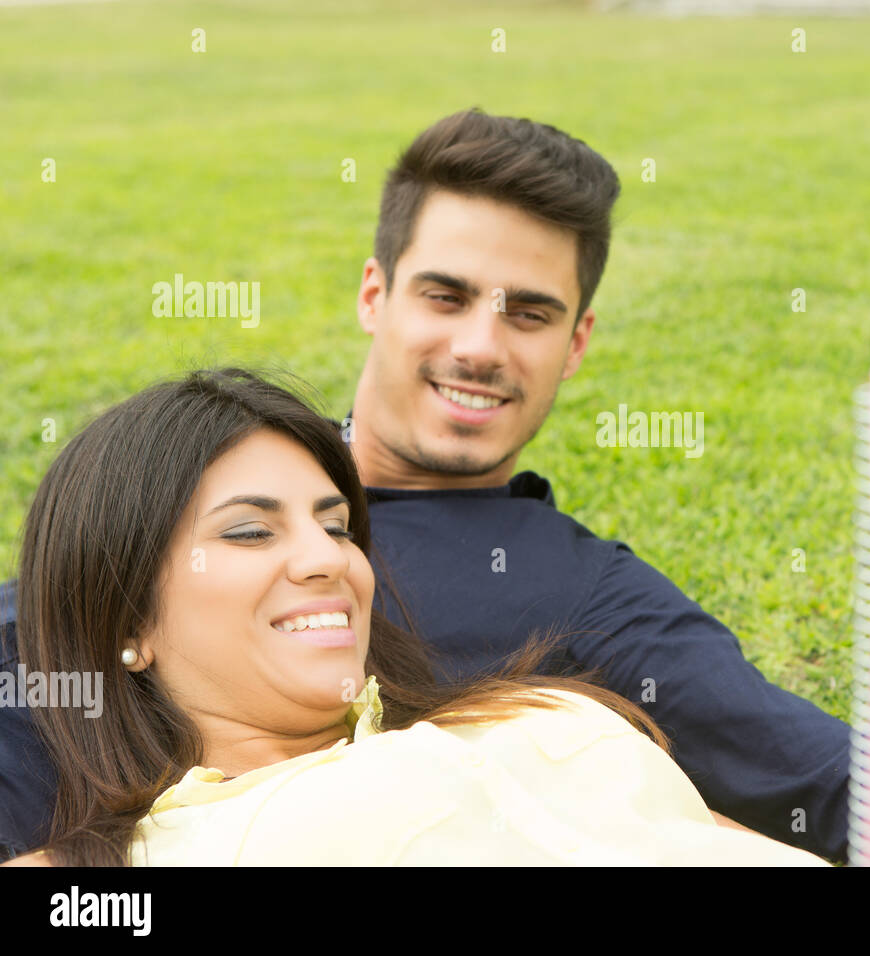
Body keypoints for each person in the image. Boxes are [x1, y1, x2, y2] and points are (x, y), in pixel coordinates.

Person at [0, 108, 870, 862]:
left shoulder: (585, 610)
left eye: (530, 311)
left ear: (578, 341)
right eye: (446, 294)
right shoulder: (156, 547)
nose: (482, 344)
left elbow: (842, 787)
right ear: (377, 296)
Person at [1, 368, 827, 866]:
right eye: (249, 531)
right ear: (126, 626)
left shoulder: (535, 712)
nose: (328, 559)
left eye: (334, 525)